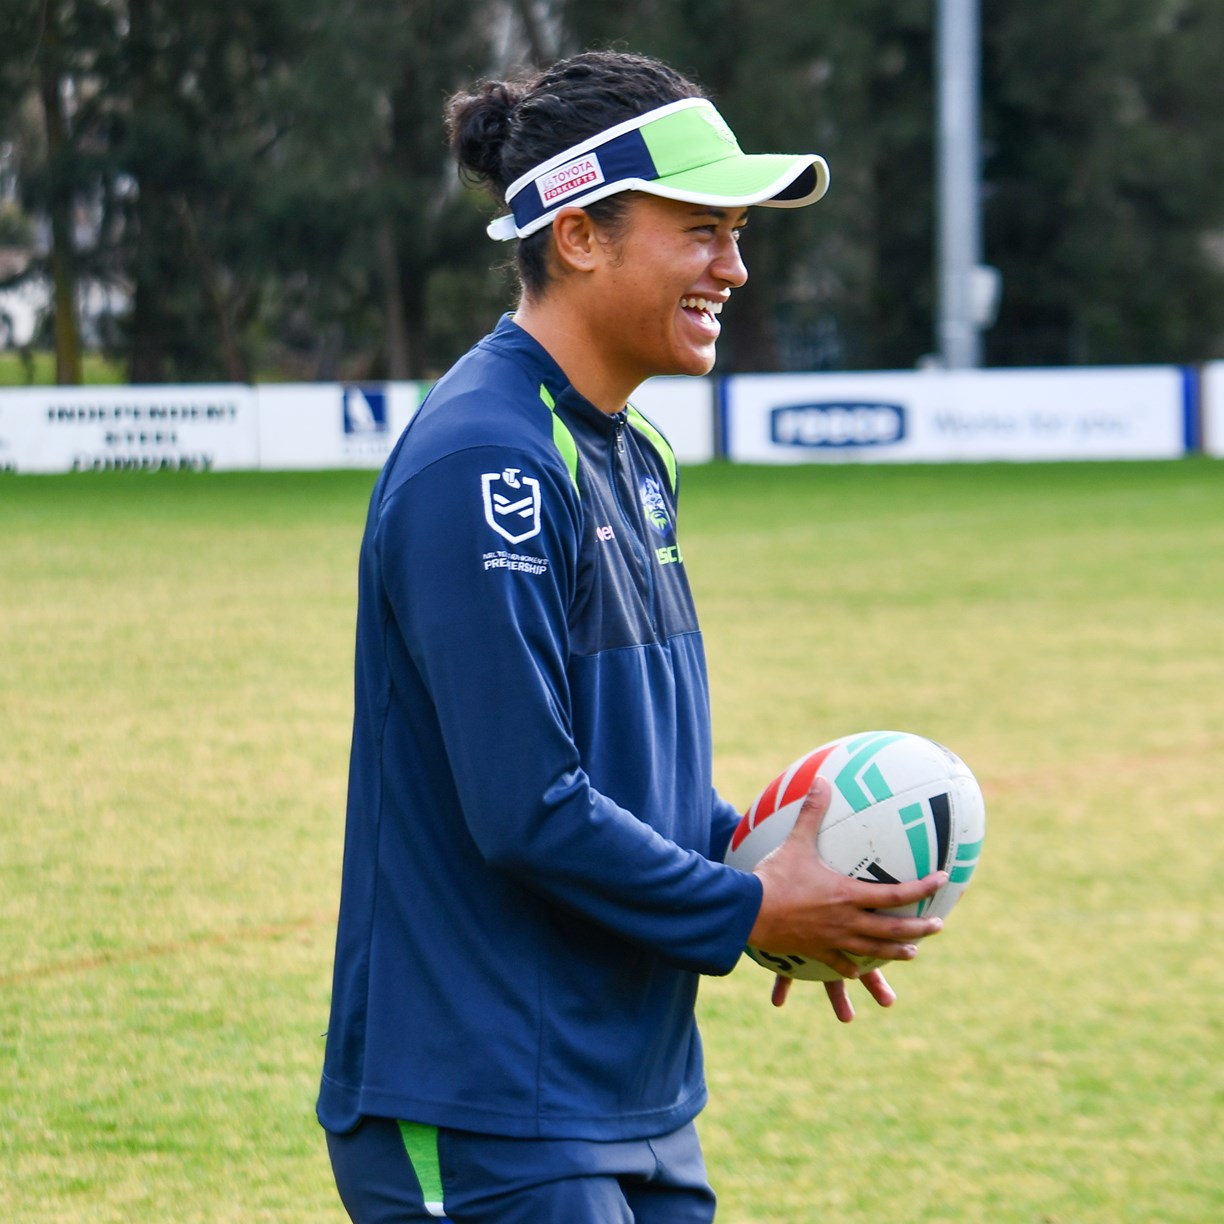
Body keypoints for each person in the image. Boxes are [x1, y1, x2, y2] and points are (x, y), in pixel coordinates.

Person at [317, 49, 946, 1224]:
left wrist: (772, 866)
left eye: (739, 234)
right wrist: (749, 910)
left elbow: (634, 785)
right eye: (703, 230)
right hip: (490, 1102)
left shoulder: (630, 452)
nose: (736, 267)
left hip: (636, 1099)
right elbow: (527, 807)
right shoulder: (485, 462)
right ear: (580, 236)